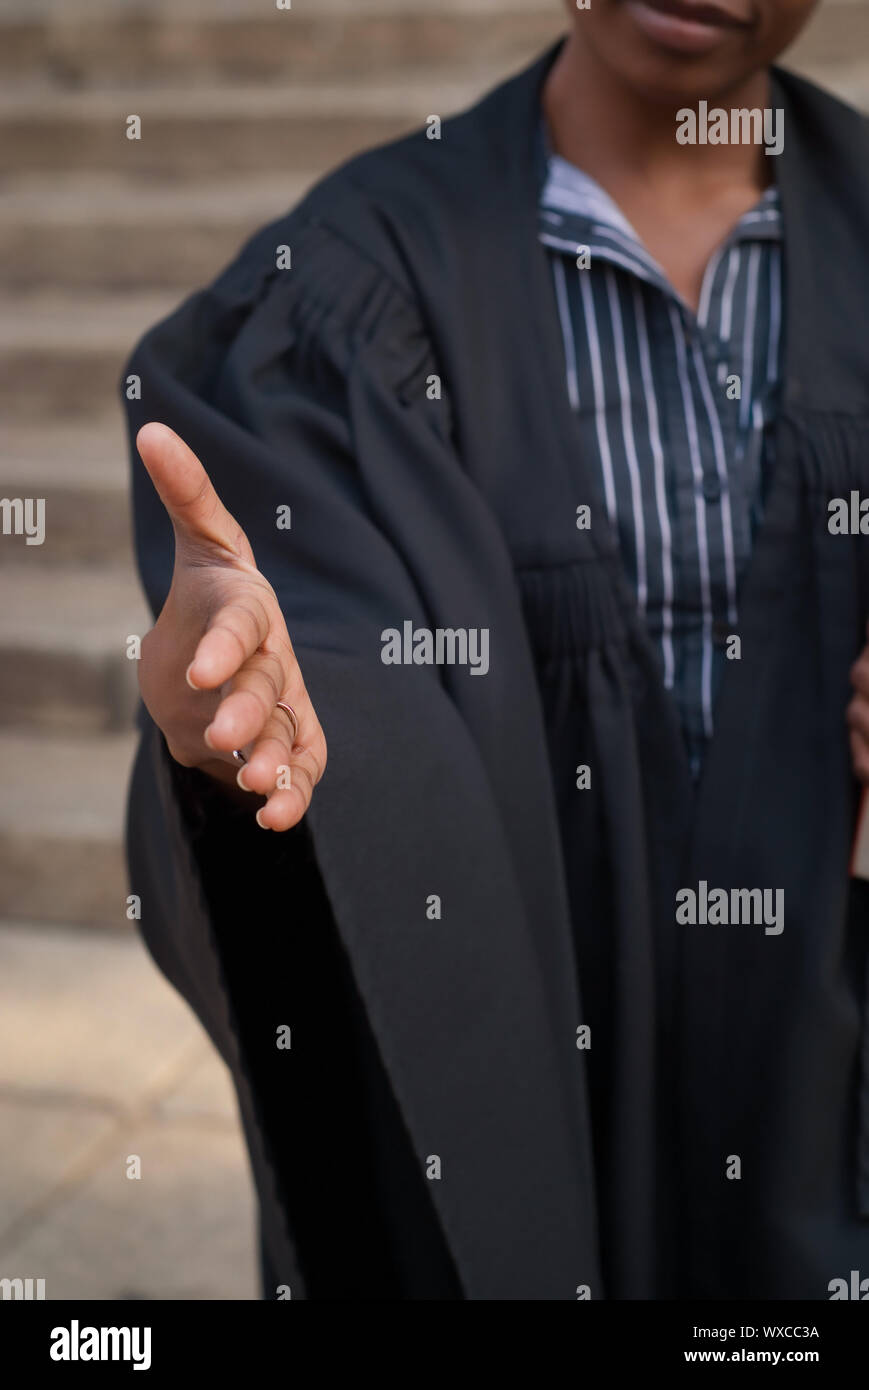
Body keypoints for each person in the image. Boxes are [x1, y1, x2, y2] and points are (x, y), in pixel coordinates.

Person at [124, 0, 869, 1299]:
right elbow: (316, 655)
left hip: (829, 1058)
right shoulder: (362, 272)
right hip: (528, 1023)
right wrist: (223, 713)